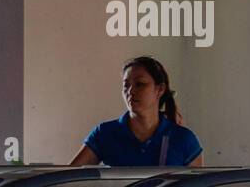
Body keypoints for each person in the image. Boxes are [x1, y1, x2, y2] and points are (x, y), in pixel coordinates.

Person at [70, 56, 203, 167]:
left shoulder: (185, 140)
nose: (130, 91)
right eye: (126, 85)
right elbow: (68, 180)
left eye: (140, 84)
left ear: (160, 89)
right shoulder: (104, 133)